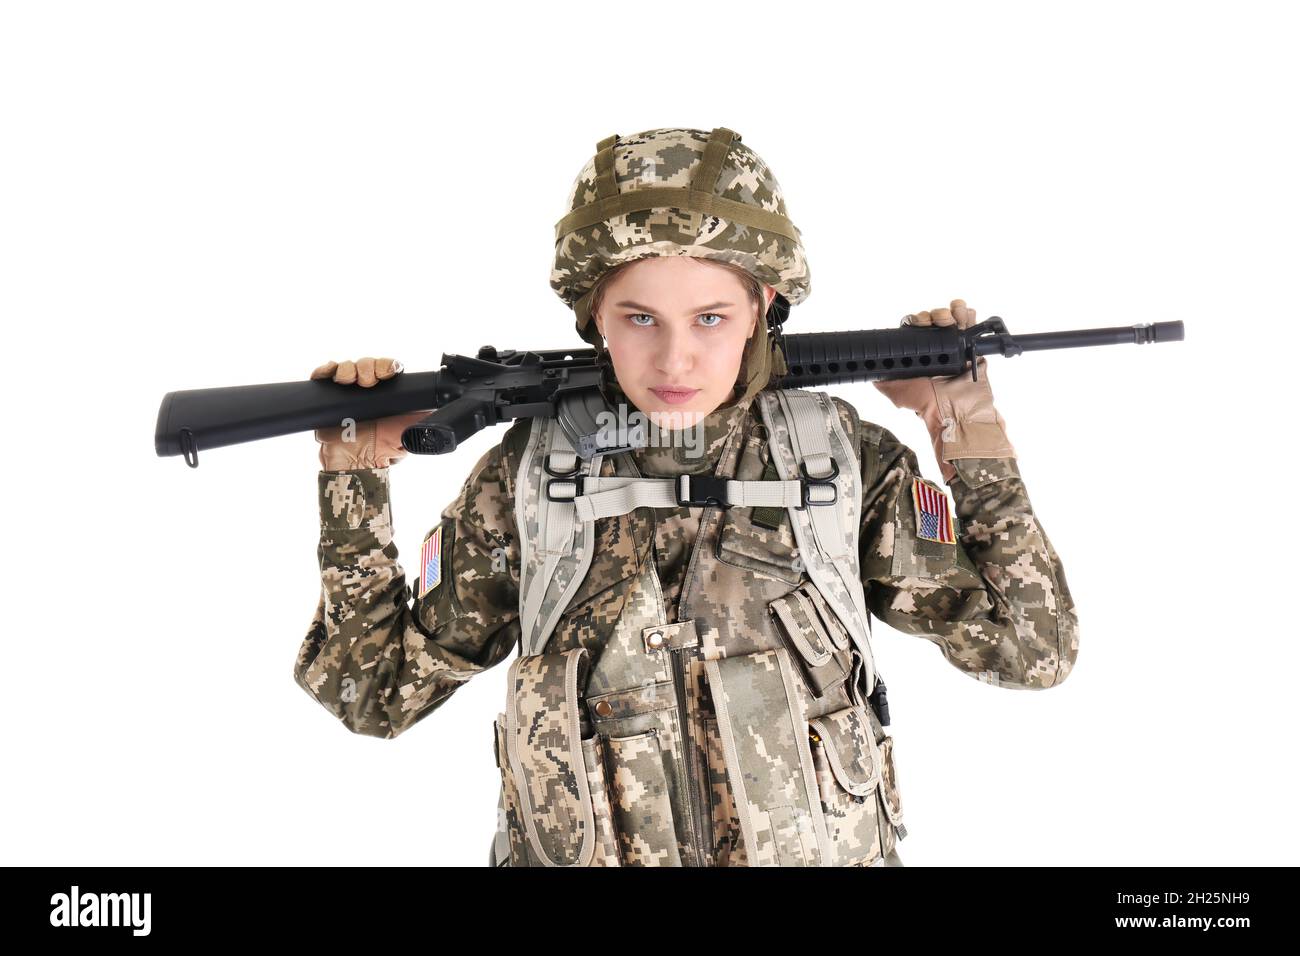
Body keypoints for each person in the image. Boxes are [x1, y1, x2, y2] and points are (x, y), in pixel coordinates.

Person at [294, 127, 1079, 867]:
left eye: (711, 317)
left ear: (763, 308)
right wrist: (354, 474)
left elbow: (1031, 652)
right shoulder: (529, 476)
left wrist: (961, 420)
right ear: (594, 315)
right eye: (640, 318)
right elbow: (376, 692)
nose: (676, 358)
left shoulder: (837, 462)